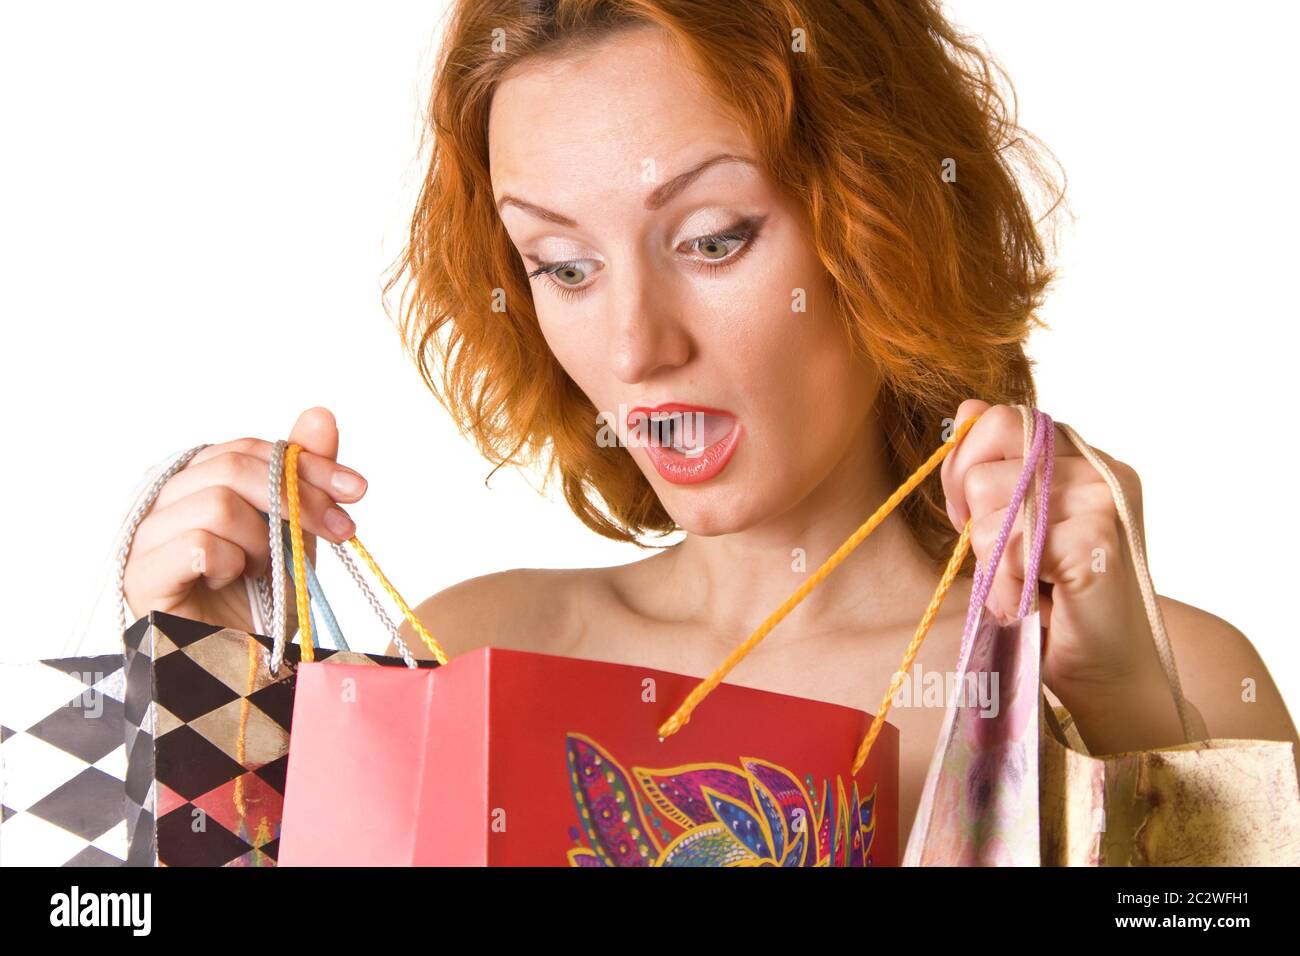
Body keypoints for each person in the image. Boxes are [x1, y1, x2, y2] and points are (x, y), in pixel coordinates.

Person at [120, 0, 1299, 855]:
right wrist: (205, 710)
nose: (635, 347)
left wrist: (1127, 717)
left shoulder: (1172, 679)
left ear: (879, 224)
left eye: (714, 239)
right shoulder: (467, 653)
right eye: (563, 264)